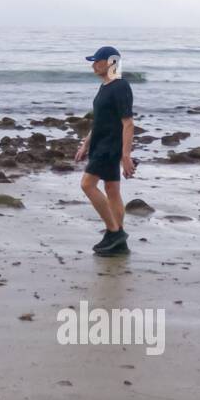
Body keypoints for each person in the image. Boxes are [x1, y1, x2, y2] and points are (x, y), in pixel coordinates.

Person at [74, 46, 136, 255]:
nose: (93, 65)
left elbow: (128, 123)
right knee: (112, 189)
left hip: (110, 146)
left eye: (96, 61)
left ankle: (114, 231)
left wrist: (125, 156)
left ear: (110, 63)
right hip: (100, 143)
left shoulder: (120, 86)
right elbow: (100, 121)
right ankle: (119, 242)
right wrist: (86, 144)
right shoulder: (105, 87)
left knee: (87, 185)